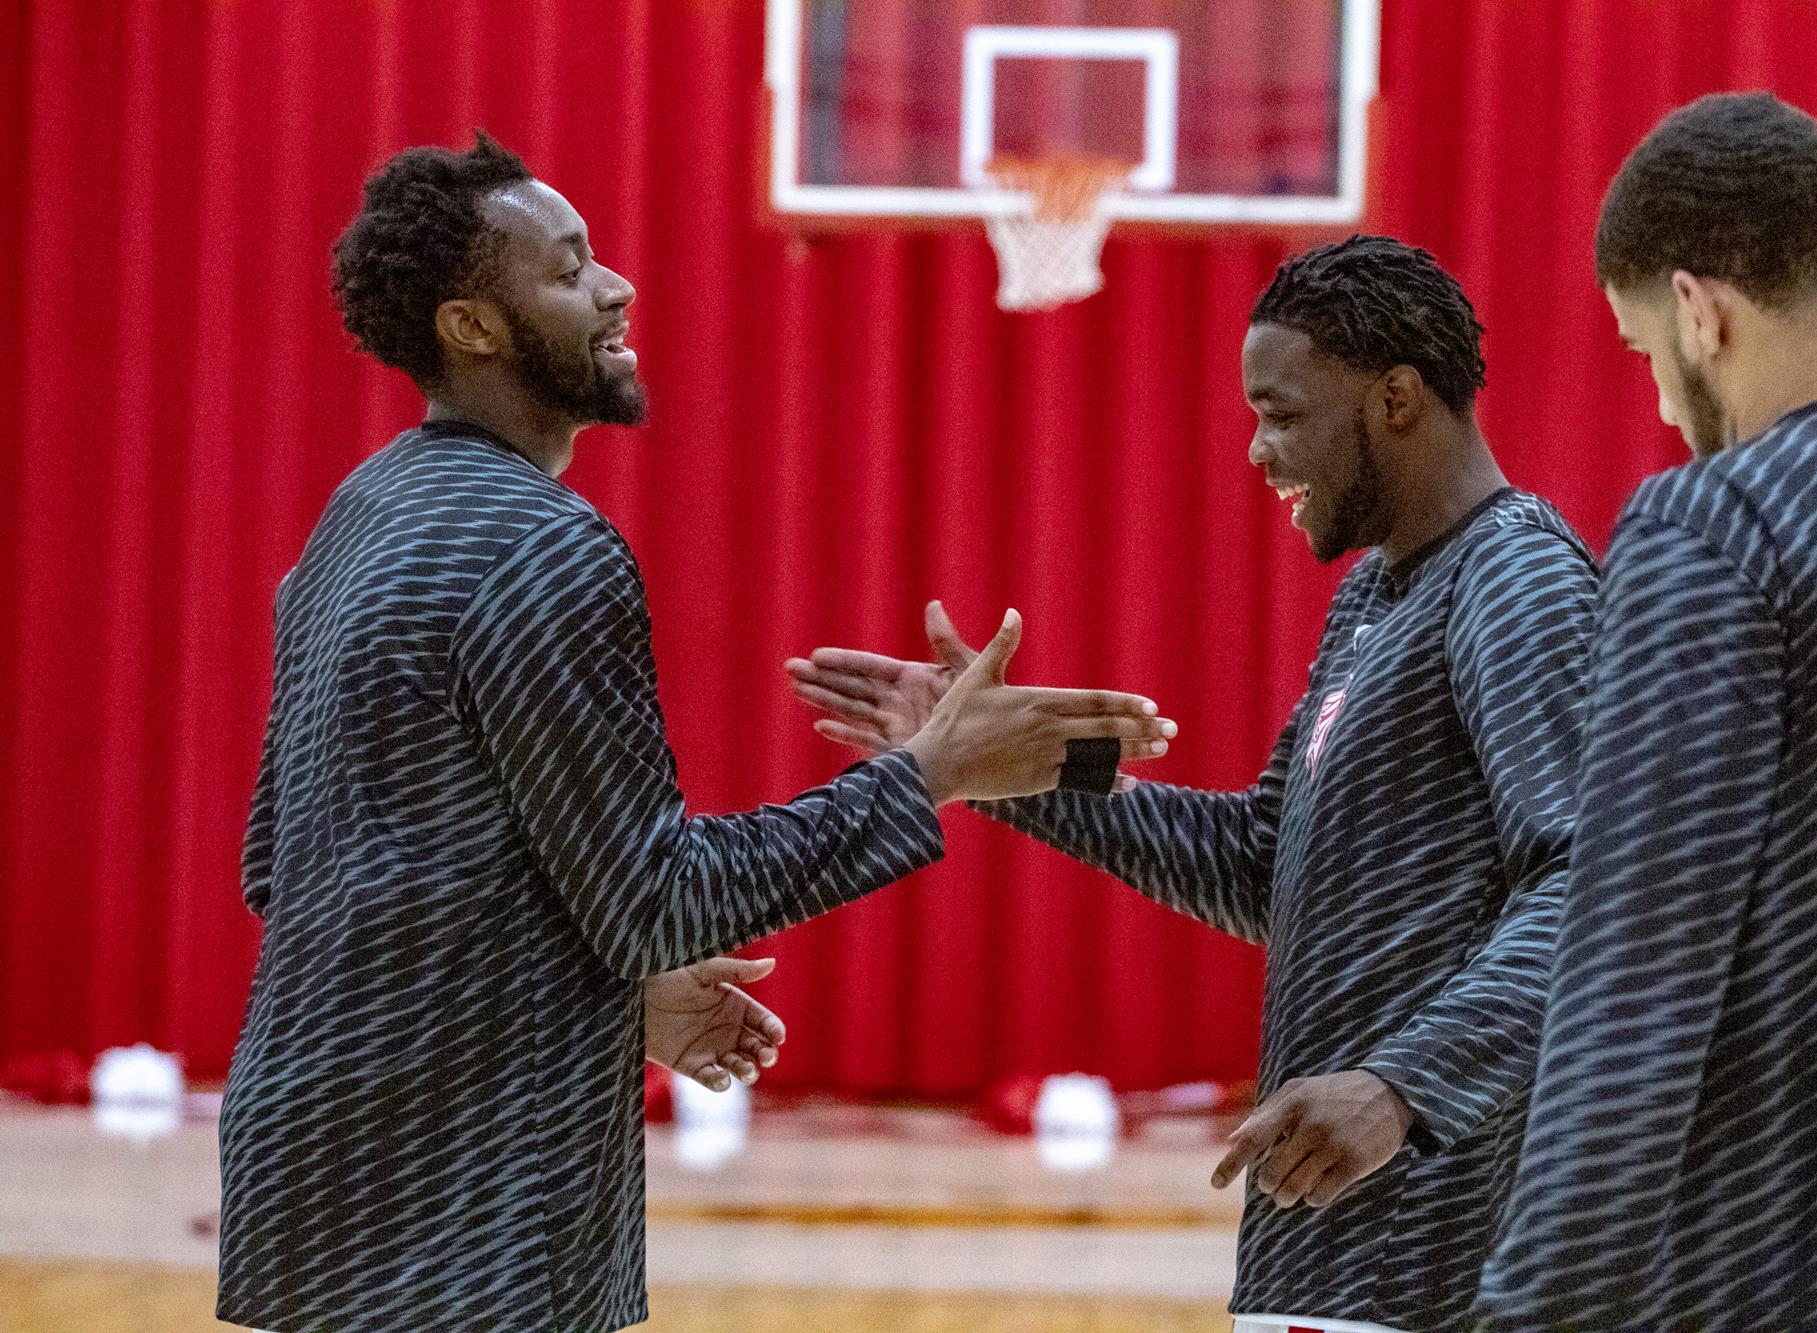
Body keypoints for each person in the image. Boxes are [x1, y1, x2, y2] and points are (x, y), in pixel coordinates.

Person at [216, 132, 1175, 1333]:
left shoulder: (360, 515)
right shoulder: (542, 546)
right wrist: (929, 772)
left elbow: (290, 871)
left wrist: (612, 994)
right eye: (569, 271)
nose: (615, 286)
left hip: (304, 1186)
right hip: (467, 1220)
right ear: (472, 327)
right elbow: (658, 899)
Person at [789, 237, 1599, 1332]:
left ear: (1396, 399)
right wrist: (994, 768)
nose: (1259, 451)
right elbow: (1263, 865)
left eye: (1282, 412)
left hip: (1430, 1255)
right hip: (1325, 1242)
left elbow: (1588, 888)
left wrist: (1403, 1086)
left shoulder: (1514, 577)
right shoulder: (1376, 595)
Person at [1477, 92, 1817, 1332]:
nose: (1662, 405)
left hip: (1757, 1286)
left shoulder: (1712, 527)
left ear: (1697, 309)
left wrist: (1531, 1310)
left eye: (1637, 350)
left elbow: (1634, 984)